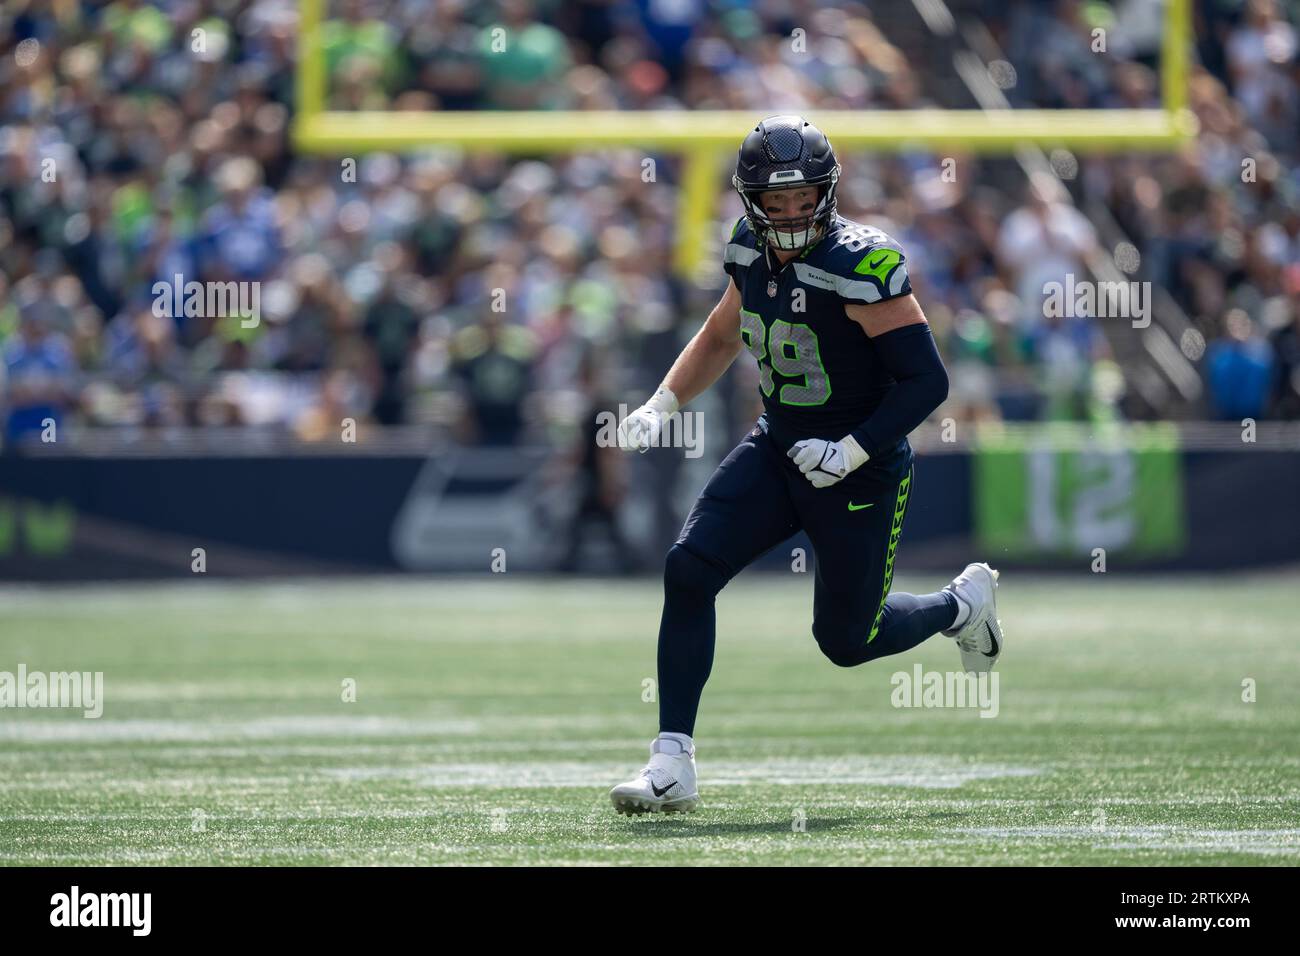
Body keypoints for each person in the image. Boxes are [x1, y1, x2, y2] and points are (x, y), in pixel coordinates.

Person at [608, 116, 1005, 815]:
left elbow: (927, 384)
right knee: (688, 568)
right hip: (779, 446)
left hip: (862, 467)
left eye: (802, 199)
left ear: (826, 193)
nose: (790, 214)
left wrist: (851, 450)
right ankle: (673, 763)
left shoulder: (862, 262)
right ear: (751, 200)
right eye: (775, 201)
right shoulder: (744, 250)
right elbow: (723, 333)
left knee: (849, 641)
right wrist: (664, 401)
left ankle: (960, 605)